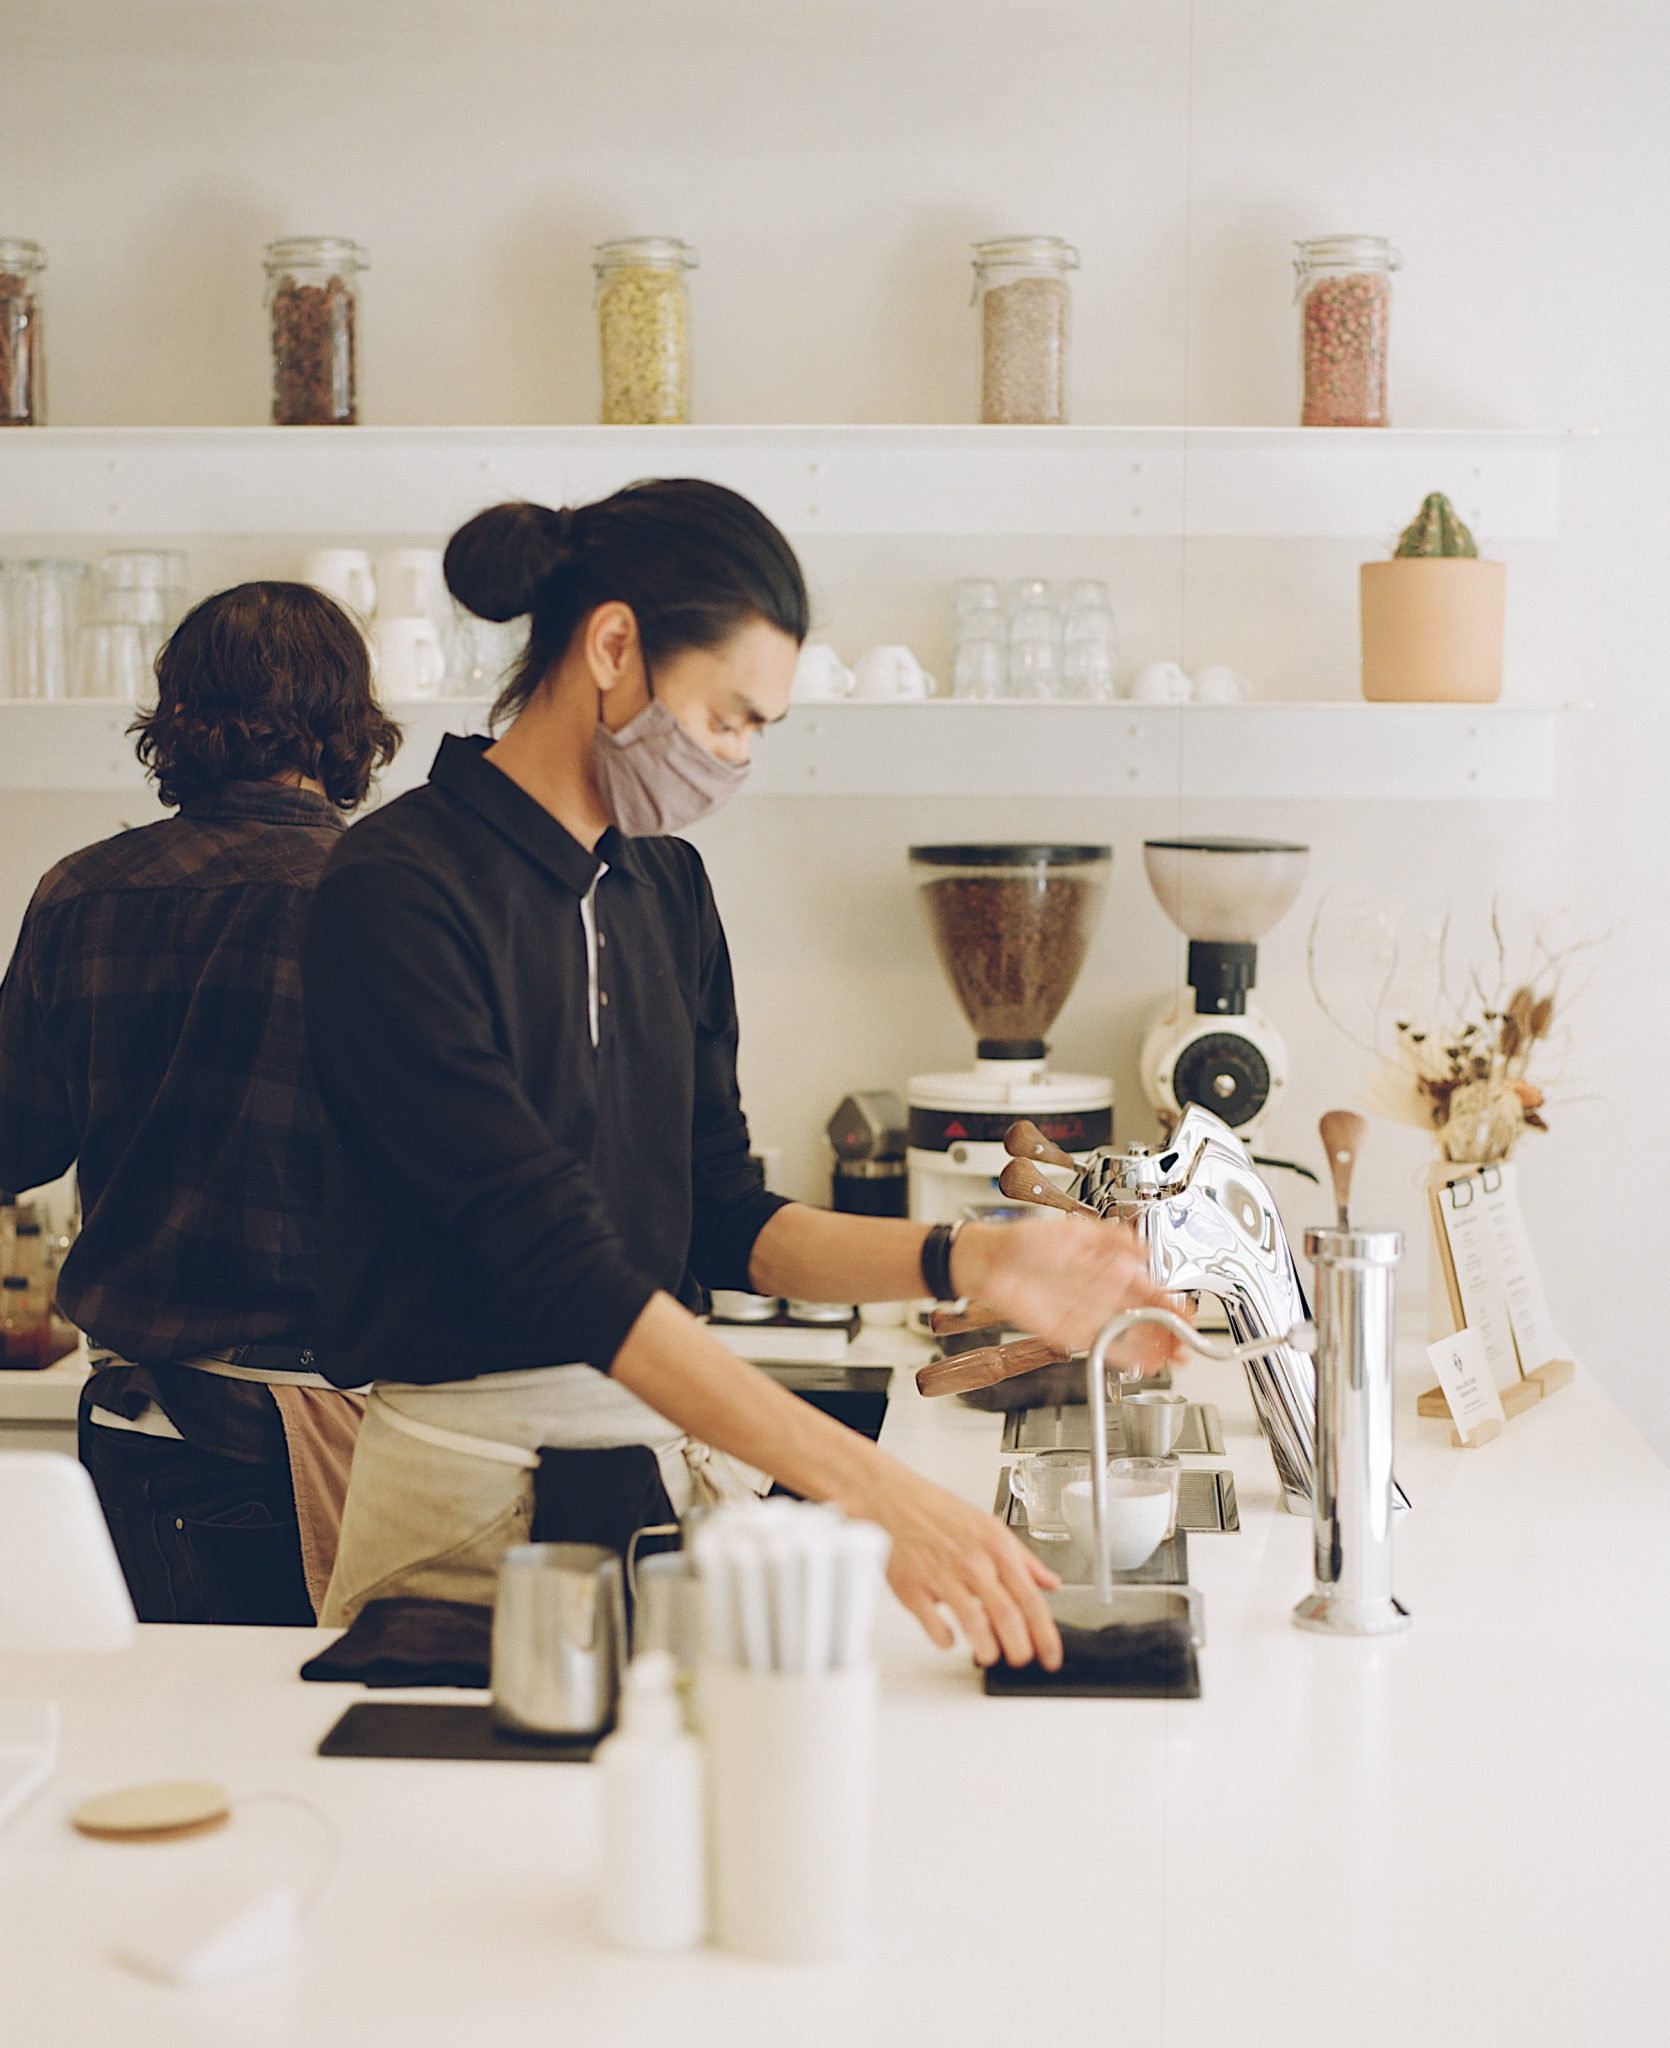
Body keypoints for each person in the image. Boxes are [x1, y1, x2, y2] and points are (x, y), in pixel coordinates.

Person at [304, 483, 1178, 1669]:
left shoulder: (665, 893)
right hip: (460, 1524)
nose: (736, 760)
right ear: (613, 645)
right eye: (728, 717)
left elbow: (725, 1218)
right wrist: (868, 1486)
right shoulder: (398, 888)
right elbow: (553, 1262)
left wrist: (972, 1255)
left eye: (759, 728)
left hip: (664, 1478)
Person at [0, 583, 399, 1625]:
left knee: (165, 1763)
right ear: (347, 723)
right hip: (317, 1419)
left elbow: (13, 1138)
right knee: (308, 1768)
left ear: (175, 719)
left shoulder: (78, 891)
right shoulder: (383, 895)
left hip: (139, 1427)